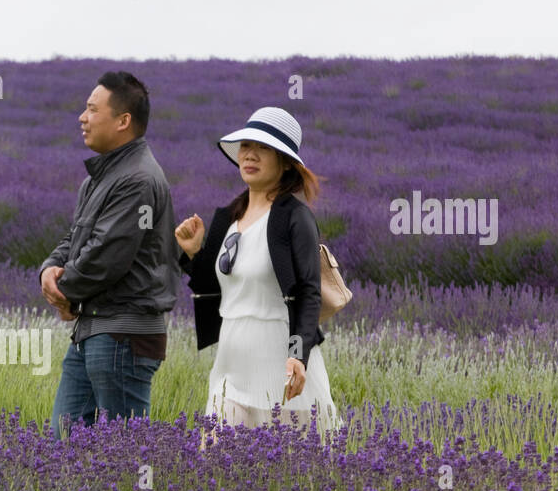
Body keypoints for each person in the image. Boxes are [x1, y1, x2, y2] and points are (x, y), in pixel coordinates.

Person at [174, 106, 340, 439]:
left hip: (279, 364)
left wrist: (298, 355)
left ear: (284, 161)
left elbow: (309, 291)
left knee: (290, 473)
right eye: (246, 146)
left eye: (263, 148)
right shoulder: (227, 217)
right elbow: (217, 289)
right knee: (219, 469)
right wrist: (194, 253)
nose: (250, 155)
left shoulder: (295, 218)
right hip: (231, 364)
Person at [38, 71, 181, 440]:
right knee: (62, 447)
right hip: (94, 331)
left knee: (125, 457)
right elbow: (77, 239)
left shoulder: (137, 180)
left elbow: (105, 256)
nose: (81, 118)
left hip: (123, 336)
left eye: (91, 109)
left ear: (123, 121)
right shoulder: (99, 179)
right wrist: (49, 270)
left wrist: (65, 289)